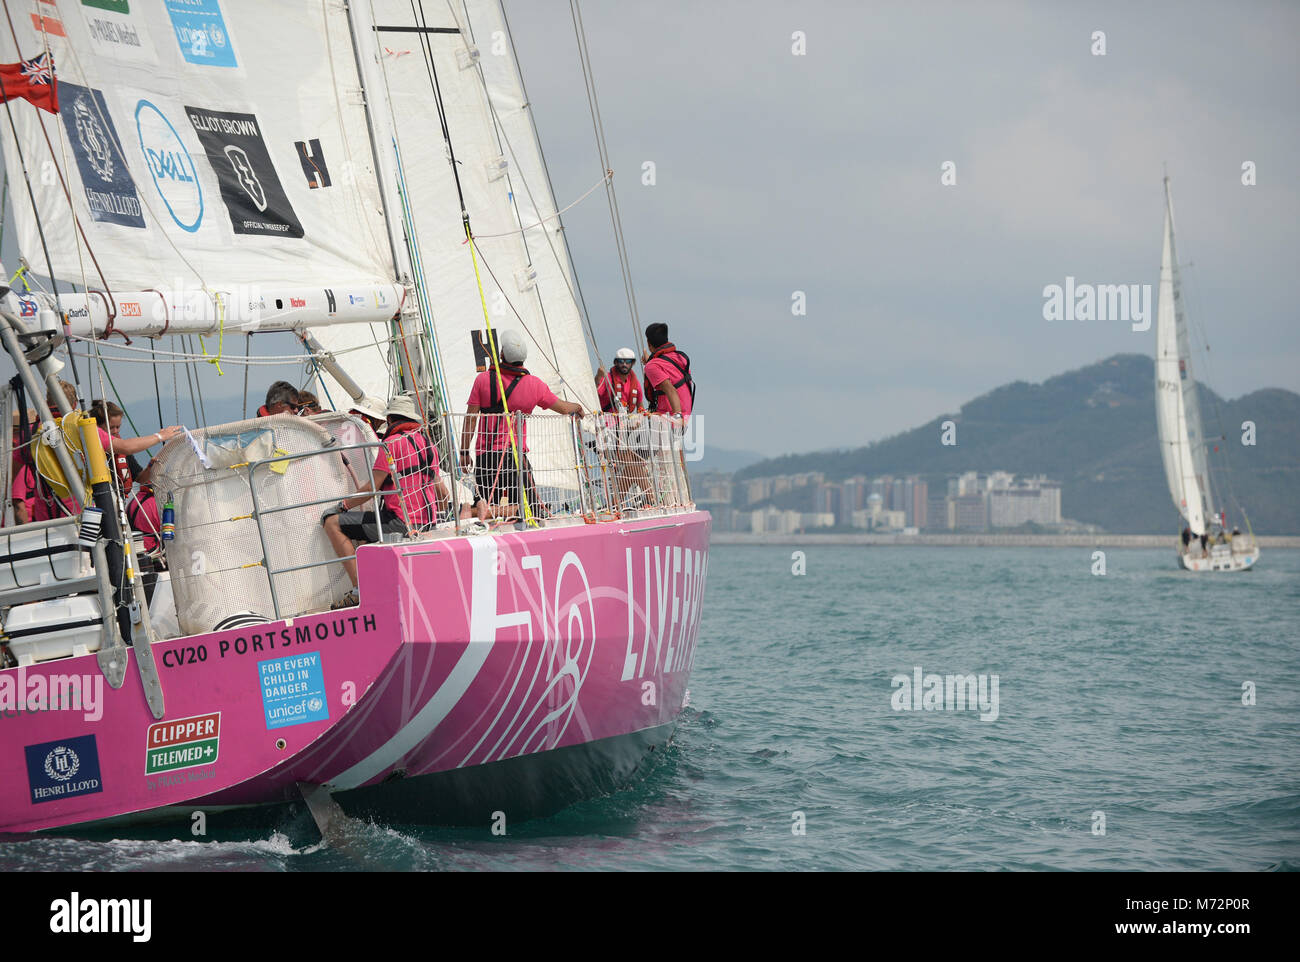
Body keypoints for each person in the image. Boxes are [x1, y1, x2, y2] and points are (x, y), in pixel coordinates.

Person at [322, 394, 447, 600]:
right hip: (428, 525)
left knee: (332, 523)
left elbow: (372, 487)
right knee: (367, 525)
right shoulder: (428, 444)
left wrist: (342, 506)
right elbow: (443, 493)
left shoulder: (390, 444)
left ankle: (359, 590)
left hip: (400, 524)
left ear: (390, 420)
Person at [459, 329, 582, 516]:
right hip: (513, 456)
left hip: (485, 457)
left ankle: (475, 511)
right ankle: (484, 511)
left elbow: (470, 420)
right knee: (530, 508)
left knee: (485, 503)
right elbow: (564, 408)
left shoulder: (482, 380)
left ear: (501, 355)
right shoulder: (534, 384)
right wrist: (578, 406)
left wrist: (464, 451)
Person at [31, 381, 182, 521]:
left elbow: (137, 475)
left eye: (118, 427)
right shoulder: (81, 429)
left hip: (48, 514)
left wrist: (150, 468)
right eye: (112, 427)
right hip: (83, 512)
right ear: (75, 403)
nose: (116, 431)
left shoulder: (37, 432)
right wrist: (161, 436)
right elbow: (126, 447)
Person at [641, 322, 694, 420]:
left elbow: (670, 389)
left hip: (671, 419)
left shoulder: (652, 366)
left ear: (648, 343)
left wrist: (677, 416)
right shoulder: (679, 357)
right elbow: (669, 371)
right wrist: (650, 360)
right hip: (686, 414)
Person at [595, 348, 643, 413]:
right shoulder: (607, 379)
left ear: (633, 363)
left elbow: (640, 406)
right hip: (607, 421)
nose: (624, 364)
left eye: (628, 361)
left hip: (627, 421)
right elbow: (593, 394)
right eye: (621, 361)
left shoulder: (635, 383)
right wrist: (598, 376)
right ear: (616, 363)